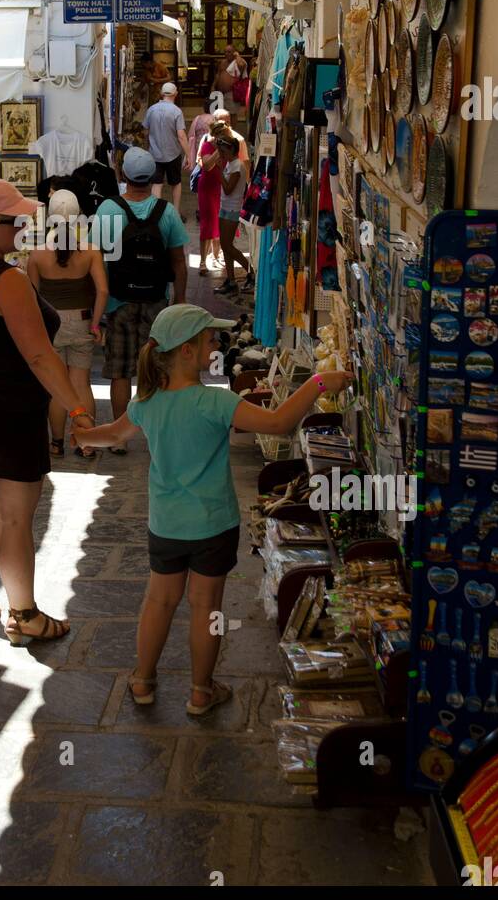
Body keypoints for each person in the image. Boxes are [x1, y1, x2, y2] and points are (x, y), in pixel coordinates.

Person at [73, 304, 354, 713]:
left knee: (158, 601)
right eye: (208, 338)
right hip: (213, 525)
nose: (215, 343)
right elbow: (277, 423)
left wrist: (83, 435)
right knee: (207, 608)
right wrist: (316, 384)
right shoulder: (215, 403)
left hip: (166, 525)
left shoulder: (147, 404)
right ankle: (201, 692)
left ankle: (142, 681)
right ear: (187, 350)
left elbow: (113, 433)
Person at [0, 178, 94, 644]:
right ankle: (24, 614)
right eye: (17, 222)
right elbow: (40, 356)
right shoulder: (5, 280)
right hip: (7, 410)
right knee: (15, 517)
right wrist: (78, 410)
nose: (24, 228)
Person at [95, 147, 188, 453]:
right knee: (156, 371)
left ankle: (119, 438)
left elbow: (97, 259)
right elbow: (178, 263)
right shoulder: (167, 212)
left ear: (124, 175)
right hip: (156, 303)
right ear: (152, 177)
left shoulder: (108, 210)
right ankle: (155, 433)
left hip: (118, 301)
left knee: (121, 370)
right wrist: (180, 302)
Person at [26, 189, 108, 458]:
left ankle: (57, 443)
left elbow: (32, 296)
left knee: (56, 386)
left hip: (51, 325)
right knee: (81, 383)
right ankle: (87, 443)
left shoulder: (37, 255)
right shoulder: (90, 252)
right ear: (79, 219)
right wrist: (96, 325)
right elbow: (103, 291)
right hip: (82, 322)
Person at [143, 82, 190, 219]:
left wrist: (148, 147)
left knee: (157, 184)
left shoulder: (151, 109)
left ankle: (156, 214)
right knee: (175, 182)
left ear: (162, 94)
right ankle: (175, 212)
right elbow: (181, 135)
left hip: (155, 153)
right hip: (173, 153)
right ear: (175, 94)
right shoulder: (176, 111)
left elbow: (146, 131)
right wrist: (189, 154)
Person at [214, 134, 252, 295]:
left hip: (232, 210)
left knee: (228, 246)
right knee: (225, 246)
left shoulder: (237, 166)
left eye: (223, 152)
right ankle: (230, 280)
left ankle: (251, 272)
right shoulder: (231, 164)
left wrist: (219, 172)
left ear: (231, 149)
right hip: (225, 208)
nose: (221, 155)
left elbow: (228, 189)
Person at [196, 122, 224, 277]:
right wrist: (218, 151)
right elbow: (206, 166)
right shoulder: (207, 145)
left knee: (219, 222)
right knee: (207, 223)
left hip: (222, 187)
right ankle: (202, 261)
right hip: (207, 188)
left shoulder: (229, 144)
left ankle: (215, 256)